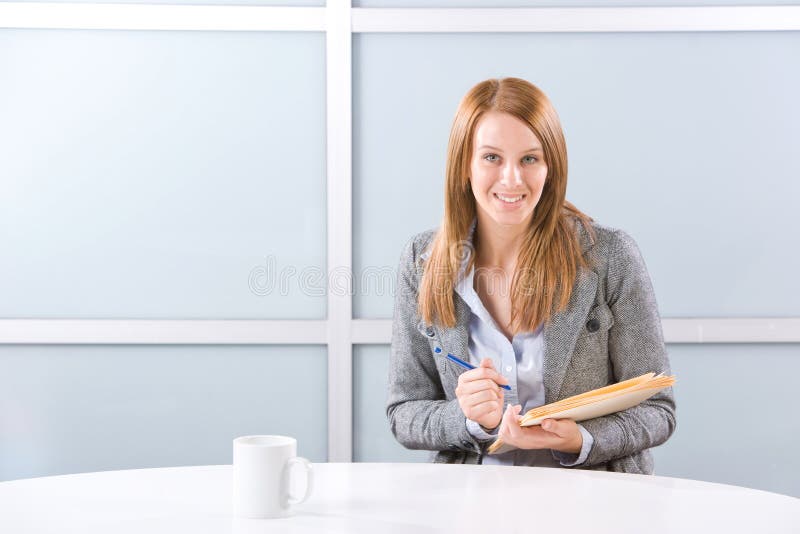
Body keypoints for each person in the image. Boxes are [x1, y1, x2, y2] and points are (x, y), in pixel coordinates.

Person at [387, 77, 676, 473]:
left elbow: (658, 408)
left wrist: (580, 439)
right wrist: (469, 418)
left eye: (529, 159)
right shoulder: (422, 261)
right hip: (471, 502)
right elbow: (404, 412)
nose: (511, 179)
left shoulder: (610, 256)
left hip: (595, 504)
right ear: (464, 166)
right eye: (491, 157)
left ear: (551, 168)